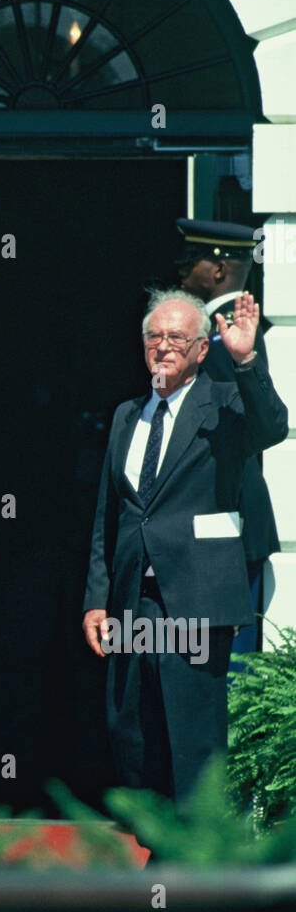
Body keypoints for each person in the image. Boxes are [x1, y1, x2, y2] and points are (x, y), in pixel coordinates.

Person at [82, 288, 288, 804]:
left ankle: (195, 866)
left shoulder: (222, 404)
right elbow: (110, 516)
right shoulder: (127, 415)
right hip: (133, 601)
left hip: (195, 599)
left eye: (178, 337)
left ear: (201, 349)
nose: (164, 346)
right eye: (155, 336)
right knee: (133, 733)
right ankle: (162, 845)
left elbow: (273, 426)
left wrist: (245, 360)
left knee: (192, 741)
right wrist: (95, 599)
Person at [175, 217, 279, 656]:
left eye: (188, 264)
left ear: (217, 270)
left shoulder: (229, 335)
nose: (180, 275)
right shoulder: (218, 328)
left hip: (228, 519)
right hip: (222, 521)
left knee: (229, 672)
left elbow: (255, 426)